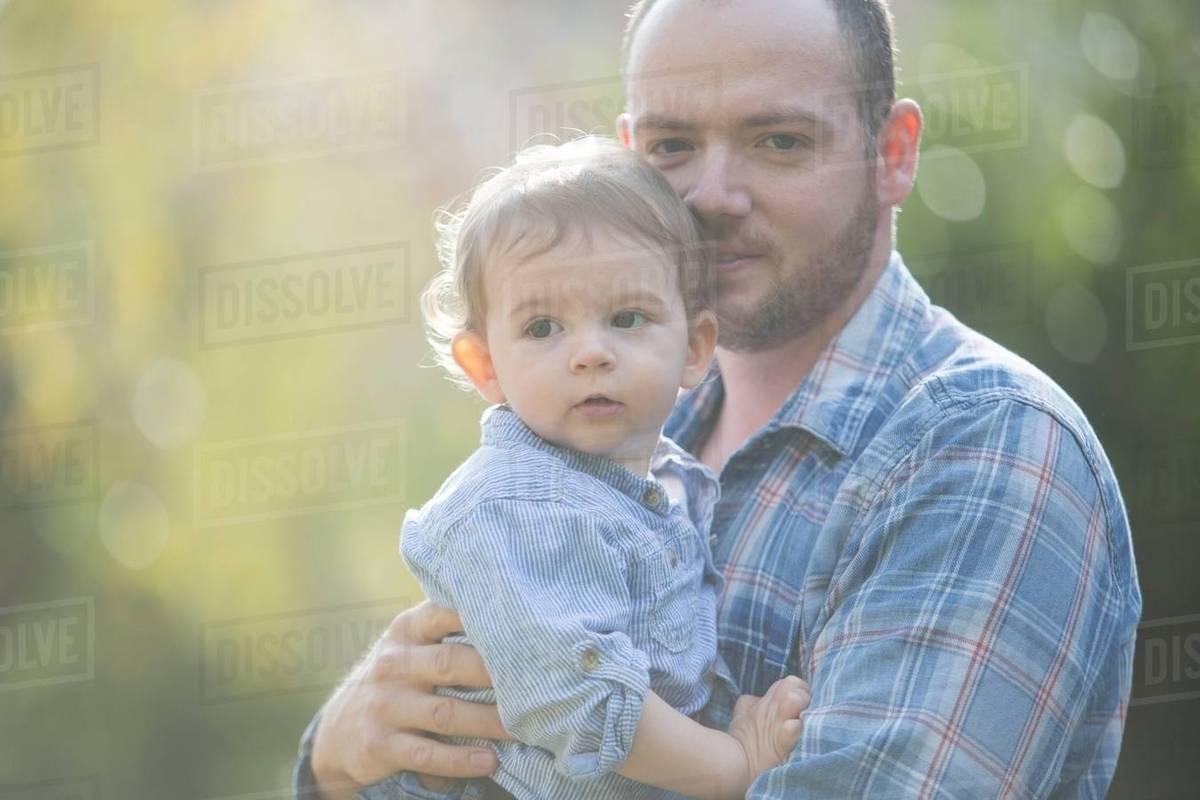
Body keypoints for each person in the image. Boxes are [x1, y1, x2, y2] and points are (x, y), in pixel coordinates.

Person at [296, 0, 1142, 797]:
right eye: (671, 147)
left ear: (893, 153)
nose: (712, 195)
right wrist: (336, 760)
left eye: (778, 140)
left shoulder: (984, 447)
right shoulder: (601, 440)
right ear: (628, 155)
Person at [352, 136, 809, 800]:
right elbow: (579, 697)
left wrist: (720, 713)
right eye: (542, 328)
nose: (589, 353)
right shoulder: (511, 507)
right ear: (485, 366)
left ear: (694, 347)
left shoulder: (662, 487)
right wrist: (730, 762)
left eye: (627, 318)